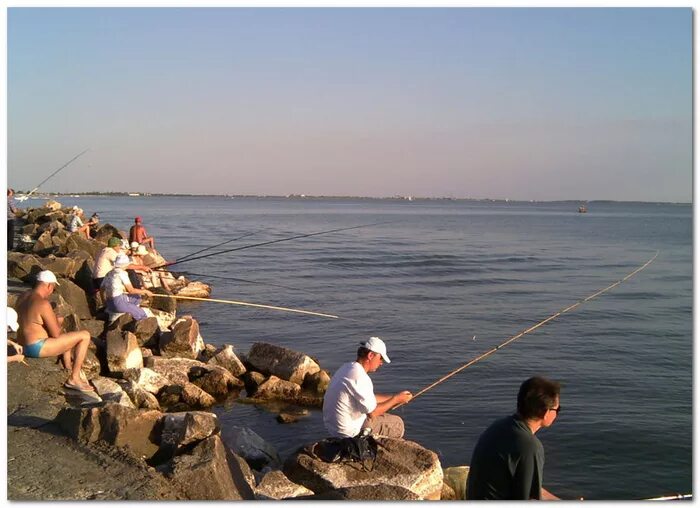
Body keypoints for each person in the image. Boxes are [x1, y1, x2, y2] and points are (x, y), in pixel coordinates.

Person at [466, 376, 561, 500]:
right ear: (546, 413)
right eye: (557, 409)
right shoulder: (529, 446)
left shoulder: (499, 426)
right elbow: (528, 499)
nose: (557, 413)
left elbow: (527, 487)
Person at [14, 270, 94, 392]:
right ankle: (74, 378)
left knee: (67, 337)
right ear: (49, 285)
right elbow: (55, 333)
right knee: (85, 335)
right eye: (53, 288)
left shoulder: (22, 296)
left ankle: (67, 367)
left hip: (21, 344)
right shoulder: (42, 303)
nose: (52, 292)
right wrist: (58, 320)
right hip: (36, 347)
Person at [323, 336, 413, 439]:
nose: (381, 363)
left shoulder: (347, 368)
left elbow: (370, 399)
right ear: (371, 355)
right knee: (397, 424)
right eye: (380, 358)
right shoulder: (360, 377)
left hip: (333, 428)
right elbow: (373, 413)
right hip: (348, 432)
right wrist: (395, 399)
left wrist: (396, 398)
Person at [102, 254, 154, 320]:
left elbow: (102, 289)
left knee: (137, 297)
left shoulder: (109, 273)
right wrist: (145, 291)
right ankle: (132, 312)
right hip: (118, 303)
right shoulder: (122, 273)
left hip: (109, 302)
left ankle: (131, 309)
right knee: (143, 314)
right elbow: (131, 290)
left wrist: (104, 303)